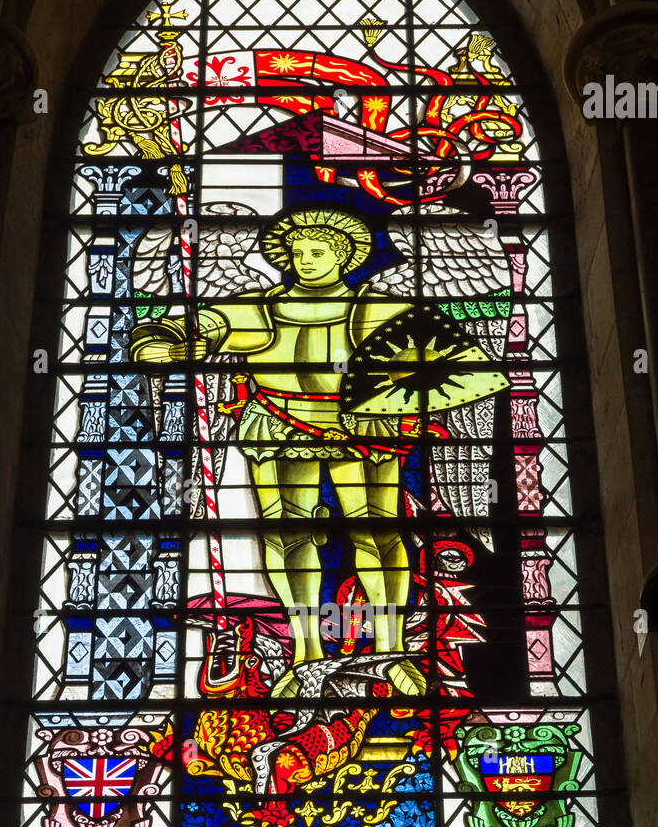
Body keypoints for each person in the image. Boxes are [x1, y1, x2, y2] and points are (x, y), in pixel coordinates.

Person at [131, 205, 500, 698]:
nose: (306, 260)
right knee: (287, 535)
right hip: (278, 422)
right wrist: (169, 344)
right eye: (297, 252)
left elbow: (456, 362)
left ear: (344, 256)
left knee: (377, 532)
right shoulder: (259, 309)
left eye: (318, 251)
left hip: (362, 425)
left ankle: (389, 652)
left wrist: (414, 387)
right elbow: (197, 326)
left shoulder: (376, 310)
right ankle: (305, 652)